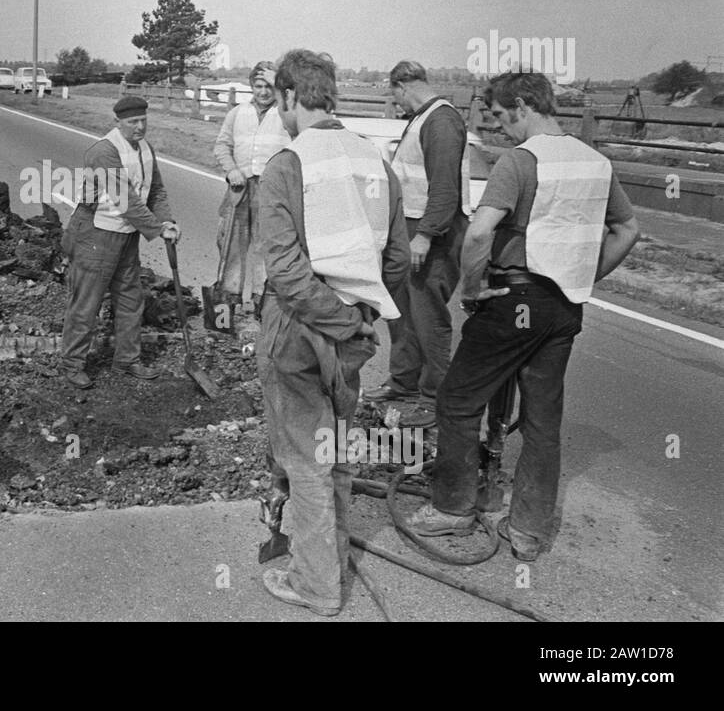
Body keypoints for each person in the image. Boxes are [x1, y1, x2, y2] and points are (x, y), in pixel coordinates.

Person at [407, 70, 638, 561]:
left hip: (514, 298)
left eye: (499, 116)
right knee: (542, 418)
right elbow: (627, 230)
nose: (498, 129)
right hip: (563, 307)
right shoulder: (595, 161)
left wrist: (473, 290)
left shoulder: (521, 161)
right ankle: (529, 530)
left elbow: (477, 233)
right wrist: (583, 276)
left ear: (520, 105)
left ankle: (452, 509)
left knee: (458, 400)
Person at [257, 49, 409, 616]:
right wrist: (362, 317)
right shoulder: (375, 159)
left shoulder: (287, 164)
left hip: (300, 328)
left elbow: (287, 273)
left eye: (279, 100)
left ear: (290, 96)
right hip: (353, 333)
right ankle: (331, 558)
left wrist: (340, 320)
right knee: (337, 449)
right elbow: (396, 260)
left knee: (305, 456)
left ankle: (316, 585)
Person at [364, 60, 473, 427]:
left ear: (401, 86)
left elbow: (445, 188)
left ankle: (433, 398)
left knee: (428, 317)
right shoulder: (424, 118)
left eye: (394, 97)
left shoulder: (440, 121)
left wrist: (425, 235)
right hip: (413, 228)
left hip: (435, 234)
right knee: (404, 312)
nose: (397, 106)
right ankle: (404, 383)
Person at [59, 95, 179, 389]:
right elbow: (124, 198)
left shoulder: (146, 150)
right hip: (95, 233)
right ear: (118, 122)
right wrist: (156, 228)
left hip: (126, 235)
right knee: (86, 303)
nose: (139, 127)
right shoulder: (103, 151)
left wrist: (167, 220)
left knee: (130, 299)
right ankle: (72, 363)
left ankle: (127, 359)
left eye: (143, 120)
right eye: (132, 122)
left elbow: (156, 191)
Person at [212, 61, 292, 310]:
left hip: (272, 191)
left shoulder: (285, 114)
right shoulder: (237, 113)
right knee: (231, 245)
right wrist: (232, 170)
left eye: (269, 86)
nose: (263, 92)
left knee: (264, 247)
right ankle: (228, 303)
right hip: (240, 189)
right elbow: (222, 146)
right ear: (251, 86)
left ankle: (260, 303)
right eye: (258, 86)